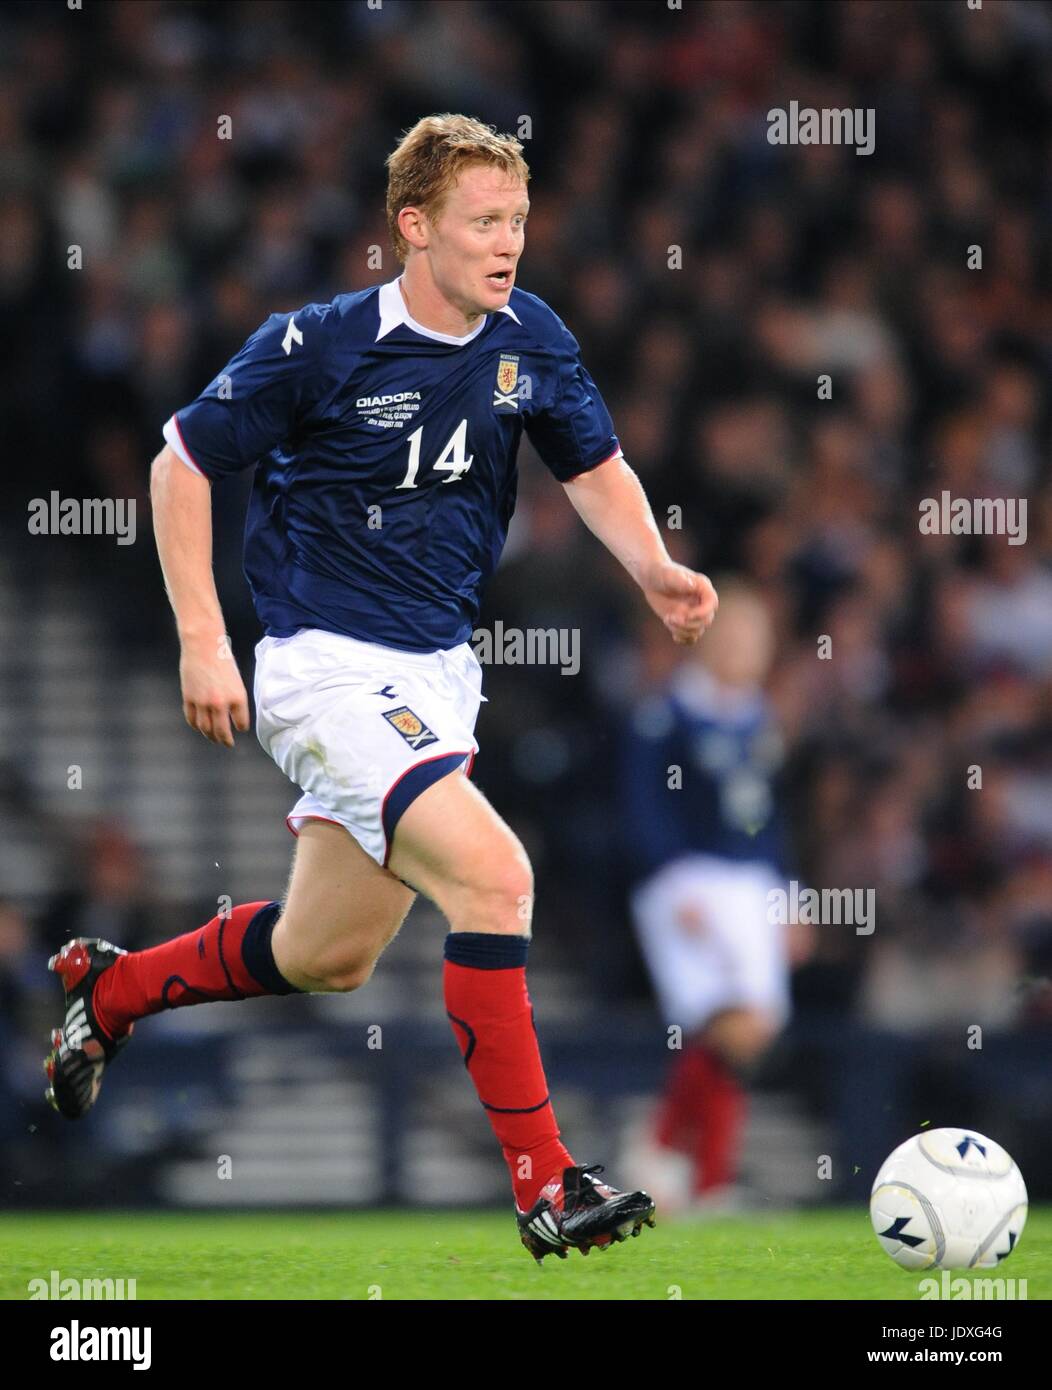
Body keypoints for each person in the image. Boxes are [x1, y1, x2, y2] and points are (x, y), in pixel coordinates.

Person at [43, 114, 717, 1261]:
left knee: (325, 954)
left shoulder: (529, 336)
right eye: (482, 222)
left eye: (516, 220)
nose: (508, 242)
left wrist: (651, 564)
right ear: (414, 228)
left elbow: (593, 467)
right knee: (497, 879)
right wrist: (203, 640)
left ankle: (109, 994)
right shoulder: (316, 346)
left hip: (437, 676)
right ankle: (545, 1180)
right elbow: (180, 463)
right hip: (322, 668)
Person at [620, 579, 811, 1212]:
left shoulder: (758, 719)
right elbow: (643, 807)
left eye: (756, 638)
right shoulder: (665, 714)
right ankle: (710, 1182)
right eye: (733, 635)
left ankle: (660, 1153)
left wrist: (790, 897)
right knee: (738, 1024)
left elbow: (769, 816)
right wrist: (672, 879)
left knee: (737, 1031)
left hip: (751, 883)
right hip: (691, 880)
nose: (744, 650)